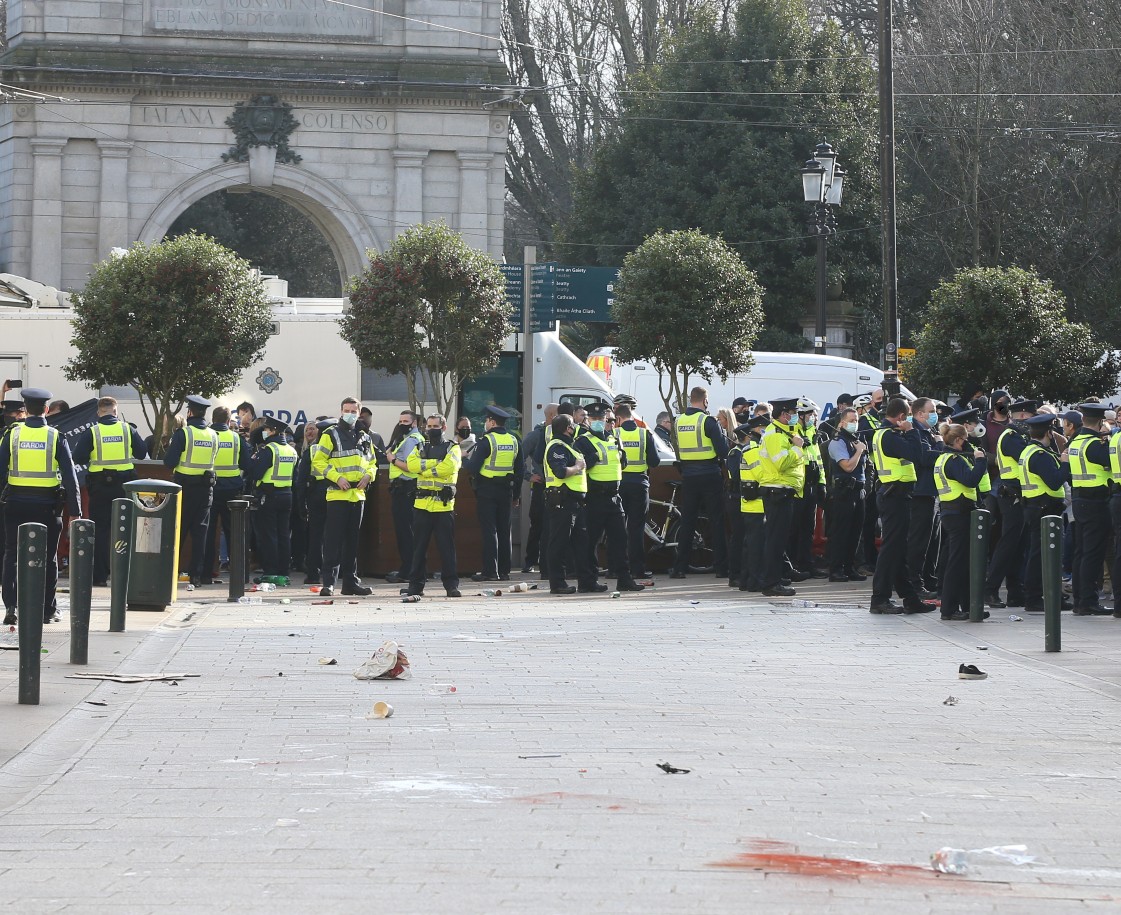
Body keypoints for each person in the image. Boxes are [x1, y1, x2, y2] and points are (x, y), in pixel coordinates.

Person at [0, 388, 81, 626]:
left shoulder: (12, 434)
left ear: (25, 410)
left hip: (16, 503)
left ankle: (11, 608)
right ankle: (47, 610)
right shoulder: (55, 436)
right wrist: (75, 511)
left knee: (12, 554)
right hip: (47, 506)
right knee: (49, 556)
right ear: (46, 409)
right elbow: (70, 476)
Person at [868, 397, 936, 615]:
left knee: (897, 549)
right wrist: (911, 431)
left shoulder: (887, 434)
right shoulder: (890, 435)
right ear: (901, 417)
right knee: (891, 549)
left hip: (897, 495)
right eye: (907, 418)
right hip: (894, 495)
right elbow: (917, 455)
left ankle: (910, 598)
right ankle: (880, 598)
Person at [72, 396, 148, 587]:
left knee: (100, 530)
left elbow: (78, 457)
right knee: (126, 528)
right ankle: (126, 574)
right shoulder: (128, 429)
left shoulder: (92, 432)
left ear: (99, 412)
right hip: (124, 487)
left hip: (100, 488)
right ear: (115, 411)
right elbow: (141, 453)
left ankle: (100, 576)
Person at [311, 397, 375, 598]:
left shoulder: (364, 436)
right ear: (341, 411)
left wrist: (369, 476)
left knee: (352, 542)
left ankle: (350, 583)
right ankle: (329, 583)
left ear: (359, 412)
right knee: (333, 541)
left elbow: (372, 462)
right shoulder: (330, 434)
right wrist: (337, 478)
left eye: (353, 411)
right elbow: (318, 461)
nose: (350, 414)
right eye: (346, 410)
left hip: (358, 495)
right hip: (338, 494)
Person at [578, 404, 644, 592]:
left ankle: (624, 579)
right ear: (588, 420)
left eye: (602, 419)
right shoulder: (582, 441)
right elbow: (581, 466)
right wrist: (592, 459)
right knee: (590, 542)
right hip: (594, 497)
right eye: (594, 419)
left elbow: (622, 462)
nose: (599, 422)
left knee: (620, 540)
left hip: (614, 497)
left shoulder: (614, 439)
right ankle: (588, 582)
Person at [669, 386, 728, 579]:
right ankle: (721, 568)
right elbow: (723, 450)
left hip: (688, 476)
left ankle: (680, 568)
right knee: (716, 521)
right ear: (705, 400)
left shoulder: (679, 421)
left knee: (688, 521)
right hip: (710, 474)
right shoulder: (707, 421)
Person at [401, 414, 462, 598]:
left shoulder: (453, 447)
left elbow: (449, 467)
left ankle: (451, 585)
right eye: (429, 426)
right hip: (422, 506)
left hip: (443, 507)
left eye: (435, 426)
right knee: (418, 549)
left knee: (447, 549)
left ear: (444, 428)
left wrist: (425, 470)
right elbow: (411, 465)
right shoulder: (420, 446)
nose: (431, 429)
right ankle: (415, 586)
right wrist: (436, 464)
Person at [933, 424, 990, 621]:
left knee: (964, 562)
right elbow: (970, 480)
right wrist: (981, 461)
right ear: (958, 440)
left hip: (952, 512)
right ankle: (949, 609)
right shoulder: (954, 460)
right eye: (965, 440)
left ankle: (968, 606)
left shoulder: (943, 458)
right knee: (957, 563)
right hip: (959, 514)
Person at [984, 398, 1037, 608]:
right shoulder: (1012, 437)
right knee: (1008, 543)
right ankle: (990, 589)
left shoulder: (1015, 435)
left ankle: (1015, 592)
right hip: (1011, 494)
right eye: (1032, 417)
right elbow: (1028, 459)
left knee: (1018, 545)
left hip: (1017, 494)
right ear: (1023, 415)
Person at [544, 413, 605, 595]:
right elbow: (560, 472)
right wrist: (578, 467)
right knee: (559, 544)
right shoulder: (557, 447)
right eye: (572, 425)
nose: (575, 427)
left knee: (582, 544)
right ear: (567, 428)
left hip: (576, 503)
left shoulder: (570, 447)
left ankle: (587, 582)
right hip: (562, 501)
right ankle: (557, 584)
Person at [163, 395, 217, 587]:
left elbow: (169, 462)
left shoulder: (183, 434)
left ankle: (170, 573)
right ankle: (197, 576)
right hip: (205, 490)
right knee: (200, 534)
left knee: (178, 531)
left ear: (190, 412)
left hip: (184, 489)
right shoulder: (213, 435)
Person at [755, 396, 806, 597]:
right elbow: (782, 463)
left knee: (778, 539)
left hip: (781, 491)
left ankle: (775, 576)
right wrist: (797, 448)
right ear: (784, 414)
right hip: (777, 491)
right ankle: (771, 583)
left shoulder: (782, 432)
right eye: (793, 413)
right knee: (775, 540)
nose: (795, 416)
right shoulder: (776, 435)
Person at [465, 405, 522, 582]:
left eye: (487, 420)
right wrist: (516, 496)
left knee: (490, 531)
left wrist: (463, 458)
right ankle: (504, 572)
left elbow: (473, 468)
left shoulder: (486, 441)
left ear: (492, 422)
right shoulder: (514, 440)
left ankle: (490, 571)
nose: (485, 423)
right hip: (507, 491)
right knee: (505, 531)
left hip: (487, 491)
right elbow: (520, 471)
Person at [1020, 413, 1070, 613]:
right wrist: (1065, 463)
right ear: (1048, 432)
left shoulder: (1030, 451)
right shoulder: (1040, 455)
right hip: (1044, 509)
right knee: (1043, 556)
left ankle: (1048, 596)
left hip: (1038, 507)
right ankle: (1035, 598)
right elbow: (1055, 481)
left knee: (1042, 554)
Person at [1067, 402, 1112, 615]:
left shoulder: (1075, 442)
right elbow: (1111, 463)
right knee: (1093, 554)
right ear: (1101, 421)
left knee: (1081, 552)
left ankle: (1079, 600)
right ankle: (1088, 601)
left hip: (1079, 500)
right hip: (1096, 502)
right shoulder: (1095, 445)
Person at [202, 405, 251, 585]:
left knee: (208, 532)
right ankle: (239, 574)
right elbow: (246, 464)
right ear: (228, 421)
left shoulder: (206, 436)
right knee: (234, 532)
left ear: (213, 419)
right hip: (232, 489)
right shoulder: (236, 438)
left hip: (210, 488)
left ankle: (206, 573)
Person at [247, 416, 298, 578]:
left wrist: (253, 461)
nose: (264, 432)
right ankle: (284, 571)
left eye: (266, 429)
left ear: (274, 431)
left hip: (269, 496)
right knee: (284, 534)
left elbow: (256, 473)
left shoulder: (269, 450)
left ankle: (271, 571)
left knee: (268, 535)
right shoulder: (291, 450)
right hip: (287, 495)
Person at [615, 400, 660, 578]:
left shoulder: (614, 434)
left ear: (618, 418)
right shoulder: (644, 434)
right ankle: (637, 570)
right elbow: (655, 461)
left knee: (618, 527)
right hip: (639, 484)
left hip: (618, 485)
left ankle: (617, 569)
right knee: (636, 528)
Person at [906, 398, 945, 599]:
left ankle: (929, 579)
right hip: (920, 492)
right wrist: (940, 445)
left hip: (932, 492)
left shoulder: (929, 432)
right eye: (932, 411)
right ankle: (915, 583)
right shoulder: (916, 432)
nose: (935, 414)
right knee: (919, 541)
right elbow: (925, 458)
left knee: (933, 542)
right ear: (920, 414)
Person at [825, 407, 867, 582]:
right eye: (851, 421)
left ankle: (849, 568)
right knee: (841, 533)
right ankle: (836, 569)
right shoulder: (838, 442)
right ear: (842, 423)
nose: (854, 424)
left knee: (855, 533)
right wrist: (859, 451)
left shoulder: (855, 441)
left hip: (858, 491)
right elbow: (847, 466)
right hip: (844, 493)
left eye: (856, 420)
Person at [385, 410, 424, 584]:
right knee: (408, 531)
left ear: (414, 423)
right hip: (405, 489)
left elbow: (409, 466)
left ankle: (407, 571)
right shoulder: (408, 438)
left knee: (406, 532)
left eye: (405, 421)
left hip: (406, 489)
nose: (402, 424)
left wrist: (392, 459)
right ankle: (411, 569)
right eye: (400, 421)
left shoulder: (411, 440)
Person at [790, 398, 825, 578]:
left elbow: (818, 460)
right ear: (801, 415)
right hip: (797, 487)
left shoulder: (812, 432)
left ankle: (807, 564)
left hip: (811, 485)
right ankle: (792, 565)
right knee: (793, 529)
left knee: (808, 529)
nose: (814, 418)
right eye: (811, 414)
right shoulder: (792, 431)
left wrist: (822, 483)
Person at [520, 403, 557, 574]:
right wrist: (528, 476)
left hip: (558, 486)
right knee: (537, 524)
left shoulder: (561, 434)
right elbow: (519, 457)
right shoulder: (536, 435)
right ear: (551, 416)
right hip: (541, 486)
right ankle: (530, 561)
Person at [296, 418, 333, 585]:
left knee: (316, 536)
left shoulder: (311, 450)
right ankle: (334, 573)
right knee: (335, 535)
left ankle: (313, 574)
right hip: (338, 494)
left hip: (316, 495)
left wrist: (301, 505)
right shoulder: (339, 449)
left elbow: (301, 481)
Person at [736, 416, 769, 592]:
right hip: (755, 504)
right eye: (765, 428)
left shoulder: (758, 446)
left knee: (752, 546)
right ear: (758, 429)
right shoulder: (753, 448)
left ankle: (747, 580)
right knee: (756, 547)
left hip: (756, 503)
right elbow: (761, 475)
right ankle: (755, 581)